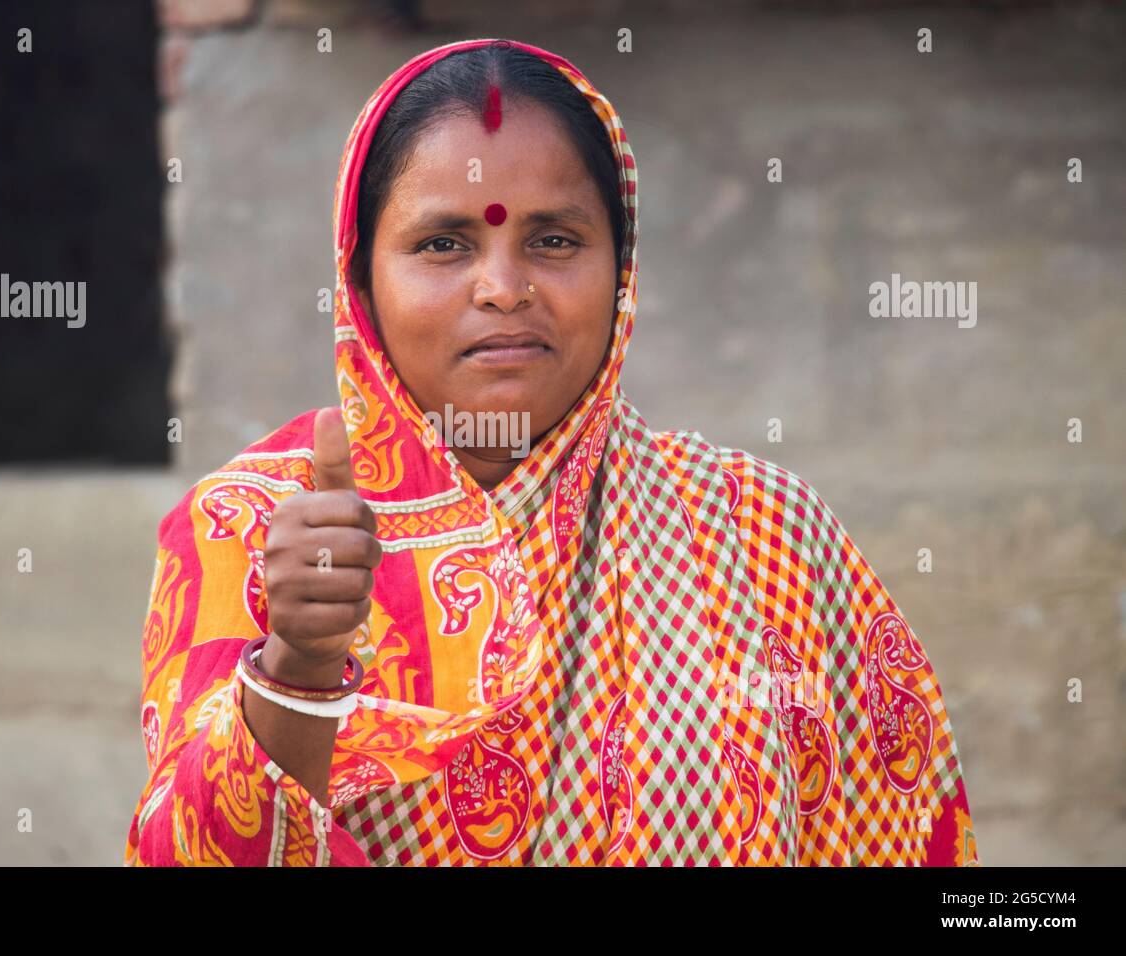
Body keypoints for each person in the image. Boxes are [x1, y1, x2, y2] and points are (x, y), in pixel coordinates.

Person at [124, 37, 980, 866]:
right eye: (443, 244)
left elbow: (898, 837)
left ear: (623, 268)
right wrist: (295, 669)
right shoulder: (247, 528)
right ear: (359, 280)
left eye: (555, 241)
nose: (503, 287)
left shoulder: (763, 535)